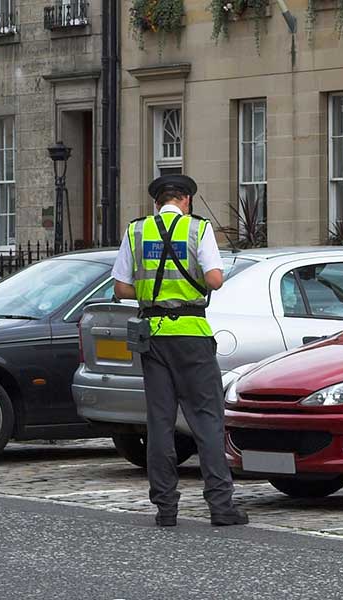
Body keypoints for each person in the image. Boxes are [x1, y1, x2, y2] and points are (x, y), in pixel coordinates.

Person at [111, 174, 248, 527]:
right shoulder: (198, 230)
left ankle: (166, 508)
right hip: (192, 334)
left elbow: (121, 288)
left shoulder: (136, 231)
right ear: (186, 200)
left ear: (157, 202)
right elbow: (215, 280)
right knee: (207, 420)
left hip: (153, 335)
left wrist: (150, 292)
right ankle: (220, 506)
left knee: (159, 422)